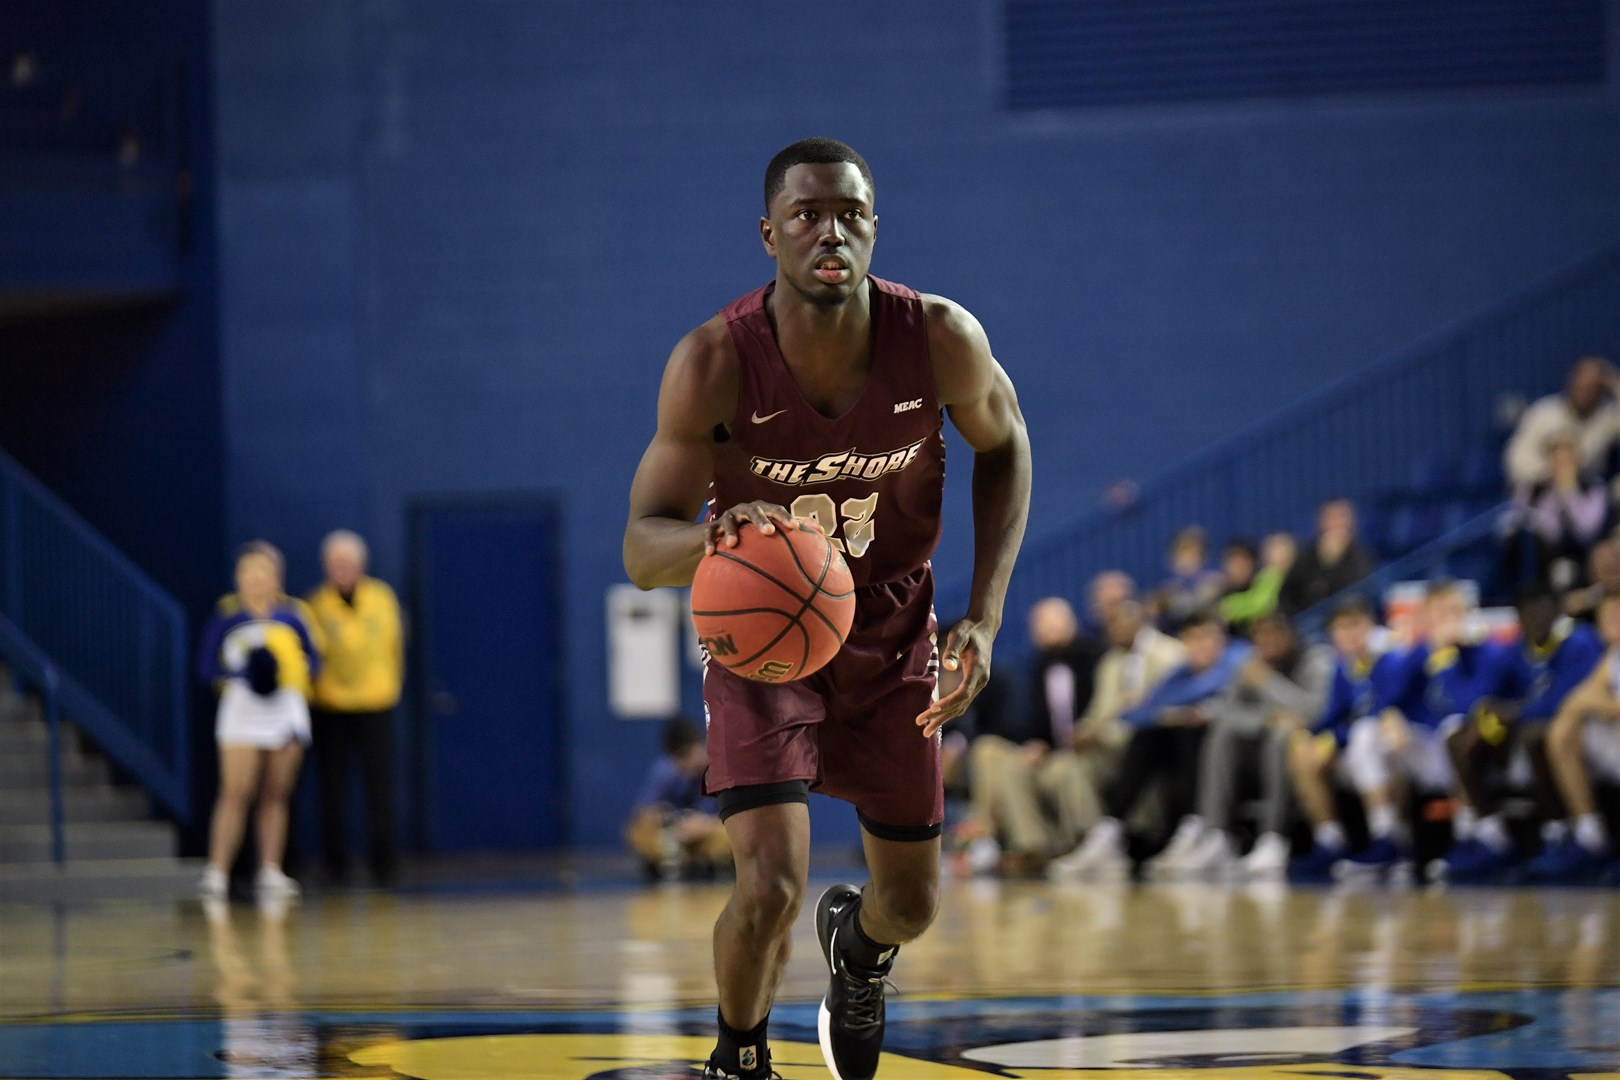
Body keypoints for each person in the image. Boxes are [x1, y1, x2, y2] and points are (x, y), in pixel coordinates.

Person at [621, 138, 1030, 1080]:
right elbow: (643, 547)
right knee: (767, 883)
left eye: (850, 212)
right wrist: (716, 540)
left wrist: (985, 615)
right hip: (764, 643)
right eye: (807, 215)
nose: (830, 231)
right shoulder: (714, 360)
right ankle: (740, 1056)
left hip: (892, 625)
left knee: (915, 902)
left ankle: (859, 950)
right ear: (770, 235)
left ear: (875, 226)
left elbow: (1006, 446)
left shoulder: (938, 336)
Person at [1045, 610, 1249, 879]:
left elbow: (1218, 701)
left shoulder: (1240, 659)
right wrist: (1167, 712)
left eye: (1207, 638)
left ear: (1221, 639)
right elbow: (1139, 712)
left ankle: (1199, 830)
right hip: (1187, 746)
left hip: (1241, 746)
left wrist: (1187, 712)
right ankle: (1111, 830)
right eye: (1194, 639)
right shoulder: (1180, 672)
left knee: (1185, 729)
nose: (1202, 645)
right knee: (1149, 734)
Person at [1333, 580, 1514, 881]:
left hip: (1480, 749)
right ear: (1426, 618)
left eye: (1453, 611)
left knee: (1454, 729)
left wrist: (1455, 653)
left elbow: (1476, 704)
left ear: (1468, 613)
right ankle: (1387, 835)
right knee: (1368, 732)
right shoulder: (1418, 654)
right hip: (1429, 754)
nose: (1447, 620)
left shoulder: (1486, 651)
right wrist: (1390, 716)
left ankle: (1474, 836)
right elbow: (1385, 697)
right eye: (1439, 613)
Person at [1432, 581, 1602, 882]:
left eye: (1541, 610)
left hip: (1580, 736)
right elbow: (1485, 697)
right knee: (1461, 738)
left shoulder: (1579, 642)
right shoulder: (1514, 650)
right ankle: (1492, 836)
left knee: (1536, 733)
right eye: (1526, 613)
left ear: (1557, 611)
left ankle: (1560, 832)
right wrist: (1461, 653)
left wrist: (1515, 712)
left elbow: (1565, 701)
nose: (1534, 619)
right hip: (1524, 739)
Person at [196, 541, 323, 902]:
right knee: (236, 791)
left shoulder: (293, 616)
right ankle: (218, 869)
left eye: (263, 572)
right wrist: (245, 674)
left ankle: (270, 869)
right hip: (243, 709)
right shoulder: (227, 617)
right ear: (238, 577)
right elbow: (206, 667)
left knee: (276, 792)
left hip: (283, 709)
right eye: (248, 572)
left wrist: (286, 673)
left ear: (276, 578)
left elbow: (314, 663)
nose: (255, 579)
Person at [1176, 612, 1334, 878]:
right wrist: (1266, 719)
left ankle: (1273, 838)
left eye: (1274, 633)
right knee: (1222, 733)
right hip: (1255, 744)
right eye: (1260, 635)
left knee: (1282, 735)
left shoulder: (1314, 658)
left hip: (1308, 746)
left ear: (1289, 634)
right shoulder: (1250, 662)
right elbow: (1226, 711)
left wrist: (1267, 682)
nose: (1267, 641)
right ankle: (1217, 835)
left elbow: (1313, 710)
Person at [1044, 599, 1186, 880]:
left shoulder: (1171, 654)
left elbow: (1159, 710)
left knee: (1137, 747)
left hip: (1156, 744)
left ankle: (1115, 837)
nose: (1111, 630)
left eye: (1117, 623)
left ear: (1138, 621)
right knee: (1066, 766)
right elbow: (1098, 712)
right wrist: (1083, 731)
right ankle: (1097, 841)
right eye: (1109, 625)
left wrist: (1102, 734)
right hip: (1110, 747)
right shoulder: (1110, 661)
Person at [963, 597, 1101, 874]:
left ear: (1070, 622)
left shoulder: (1096, 657)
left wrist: (1087, 732)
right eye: (1039, 624)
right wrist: (1039, 745)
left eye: (1052, 622)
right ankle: (1033, 846)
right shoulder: (1037, 668)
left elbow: (1102, 709)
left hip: (1090, 748)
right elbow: (1038, 723)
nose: (1045, 630)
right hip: (1055, 751)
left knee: (1063, 770)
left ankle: (1089, 841)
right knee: (1011, 764)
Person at [304, 529, 405, 887]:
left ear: (361, 564)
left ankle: (385, 863)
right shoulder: (316, 605)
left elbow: (393, 646)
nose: (343, 568)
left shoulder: (381, 597)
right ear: (326, 566)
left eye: (348, 562)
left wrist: (388, 684)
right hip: (332, 708)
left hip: (376, 704)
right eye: (336, 563)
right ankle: (336, 864)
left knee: (380, 787)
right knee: (332, 789)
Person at [1287, 595, 1393, 880]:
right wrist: (1310, 735)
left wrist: (1336, 739)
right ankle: (1329, 839)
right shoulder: (1342, 666)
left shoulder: (1389, 659)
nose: (1350, 634)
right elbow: (1334, 714)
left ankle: (1389, 837)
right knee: (1301, 750)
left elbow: (1381, 711)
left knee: (1365, 735)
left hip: (1393, 749)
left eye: (1355, 625)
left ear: (1372, 625)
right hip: (1358, 749)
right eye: (1341, 628)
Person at [1523, 589, 1620, 881]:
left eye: (1617, 615)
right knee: (1561, 731)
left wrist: (1604, 705)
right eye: (1606, 616)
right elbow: (1574, 701)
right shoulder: (1612, 657)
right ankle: (1590, 836)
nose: (1611, 622)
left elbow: (1599, 704)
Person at [625, 716, 732, 881]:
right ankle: (677, 862)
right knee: (637, 831)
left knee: (729, 836)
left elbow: (743, 819)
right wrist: (667, 819)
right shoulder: (666, 771)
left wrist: (705, 826)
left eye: (689, 754)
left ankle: (706, 862)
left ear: (702, 744)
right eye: (680, 758)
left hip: (712, 831)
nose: (687, 763)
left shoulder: (724, 768)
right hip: (679, 835)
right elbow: (643, 813)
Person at [1505, 431, 1610, 591]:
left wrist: (1568, 493)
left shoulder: (1592, 486)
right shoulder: (1536, 489)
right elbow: (1524, 521)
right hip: (1544, 557)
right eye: (1556, 457)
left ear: (1576, 458)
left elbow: (1586, 531)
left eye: (1566, 457)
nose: (1561, 463)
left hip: (1581, 555)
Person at [1504, 355, 1620, 493]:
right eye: (1581, 385)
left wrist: (1615, 383)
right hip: (1541, 493)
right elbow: (1516, 462)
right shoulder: (1544, 412)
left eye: (1592, 387)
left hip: (1588, 494)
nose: (1585, 392)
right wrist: (1558, 472)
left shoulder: (1607, 418)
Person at [1278, 499, 1376, 616]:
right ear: (1320, 522)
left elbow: (1360, 591)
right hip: (1308, 622)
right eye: (1332, 518)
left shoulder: (1363, 556)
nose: (1337, 523)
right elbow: (1288, 593)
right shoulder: (1305, 555)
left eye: (1342, 517)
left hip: (1348, 619)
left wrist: (1333, 563)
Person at [1219, 534, 1293, 637]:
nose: (1238, 567)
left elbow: (1260, 605)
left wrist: (1230, 607)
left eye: (1243, 562)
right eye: (1234, 562)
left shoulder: (1271, 577)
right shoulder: (1220, 589)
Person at [1151, 527, 1224, 627]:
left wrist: (1169, 603)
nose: (1186, 558)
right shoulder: (1168, 586)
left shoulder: (1214, 579)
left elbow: (1200, 604)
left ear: (1203, 555)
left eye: (1192, 553)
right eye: (1181, 553)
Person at [1565, 538, 1620, 622]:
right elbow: (1570, 605)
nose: (1613, 574)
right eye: (1607, 569)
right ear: (1594, 574)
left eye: (1616, 564)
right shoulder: (1592, 597)